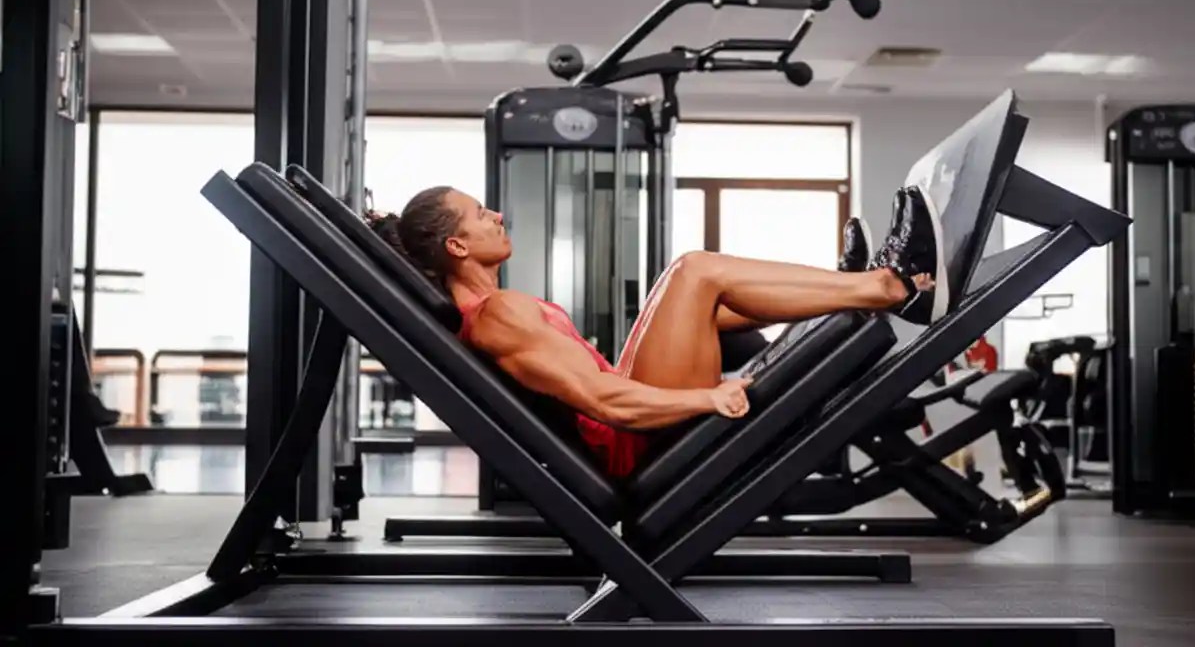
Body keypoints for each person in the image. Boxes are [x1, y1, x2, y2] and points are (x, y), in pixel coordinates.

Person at [367, 184, 946, 478]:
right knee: (693, 272)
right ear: (458, 245)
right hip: (636, 444)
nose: (495, 213)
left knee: (702, 303)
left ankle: (843, 288)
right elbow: (603, 401)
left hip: (630, 424)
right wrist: (707, 396)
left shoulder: (497, 308)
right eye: (479, 214)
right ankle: (888, 285)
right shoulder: (498, 315)